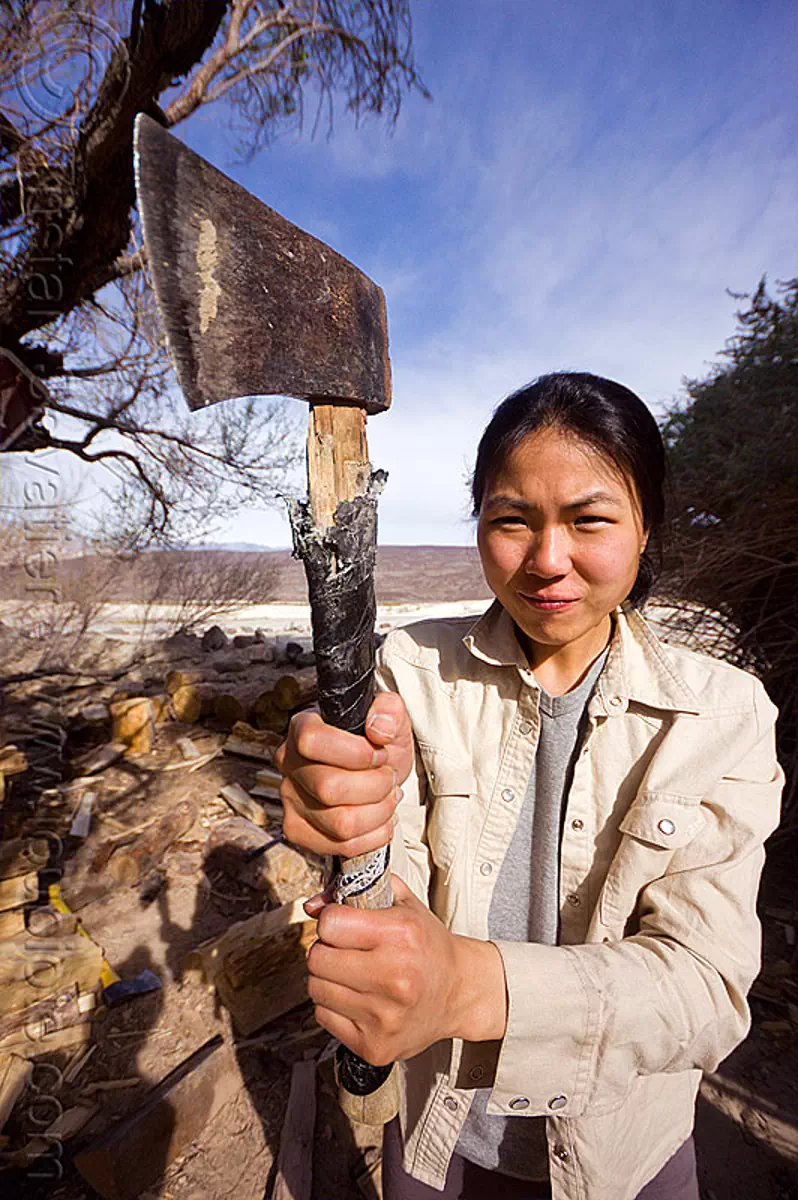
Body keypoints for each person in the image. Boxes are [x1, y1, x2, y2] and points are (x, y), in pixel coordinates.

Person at [275, 372, 783, 1200]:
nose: (548, 560)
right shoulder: (410, 671)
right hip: (439, 1132)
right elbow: (375, 874)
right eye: (512, 520)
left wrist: (470, 987)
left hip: (626, 1151)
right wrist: (344, 808)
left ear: (645, 526)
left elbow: (706, 988)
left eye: (589, 520)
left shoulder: (723, 715)